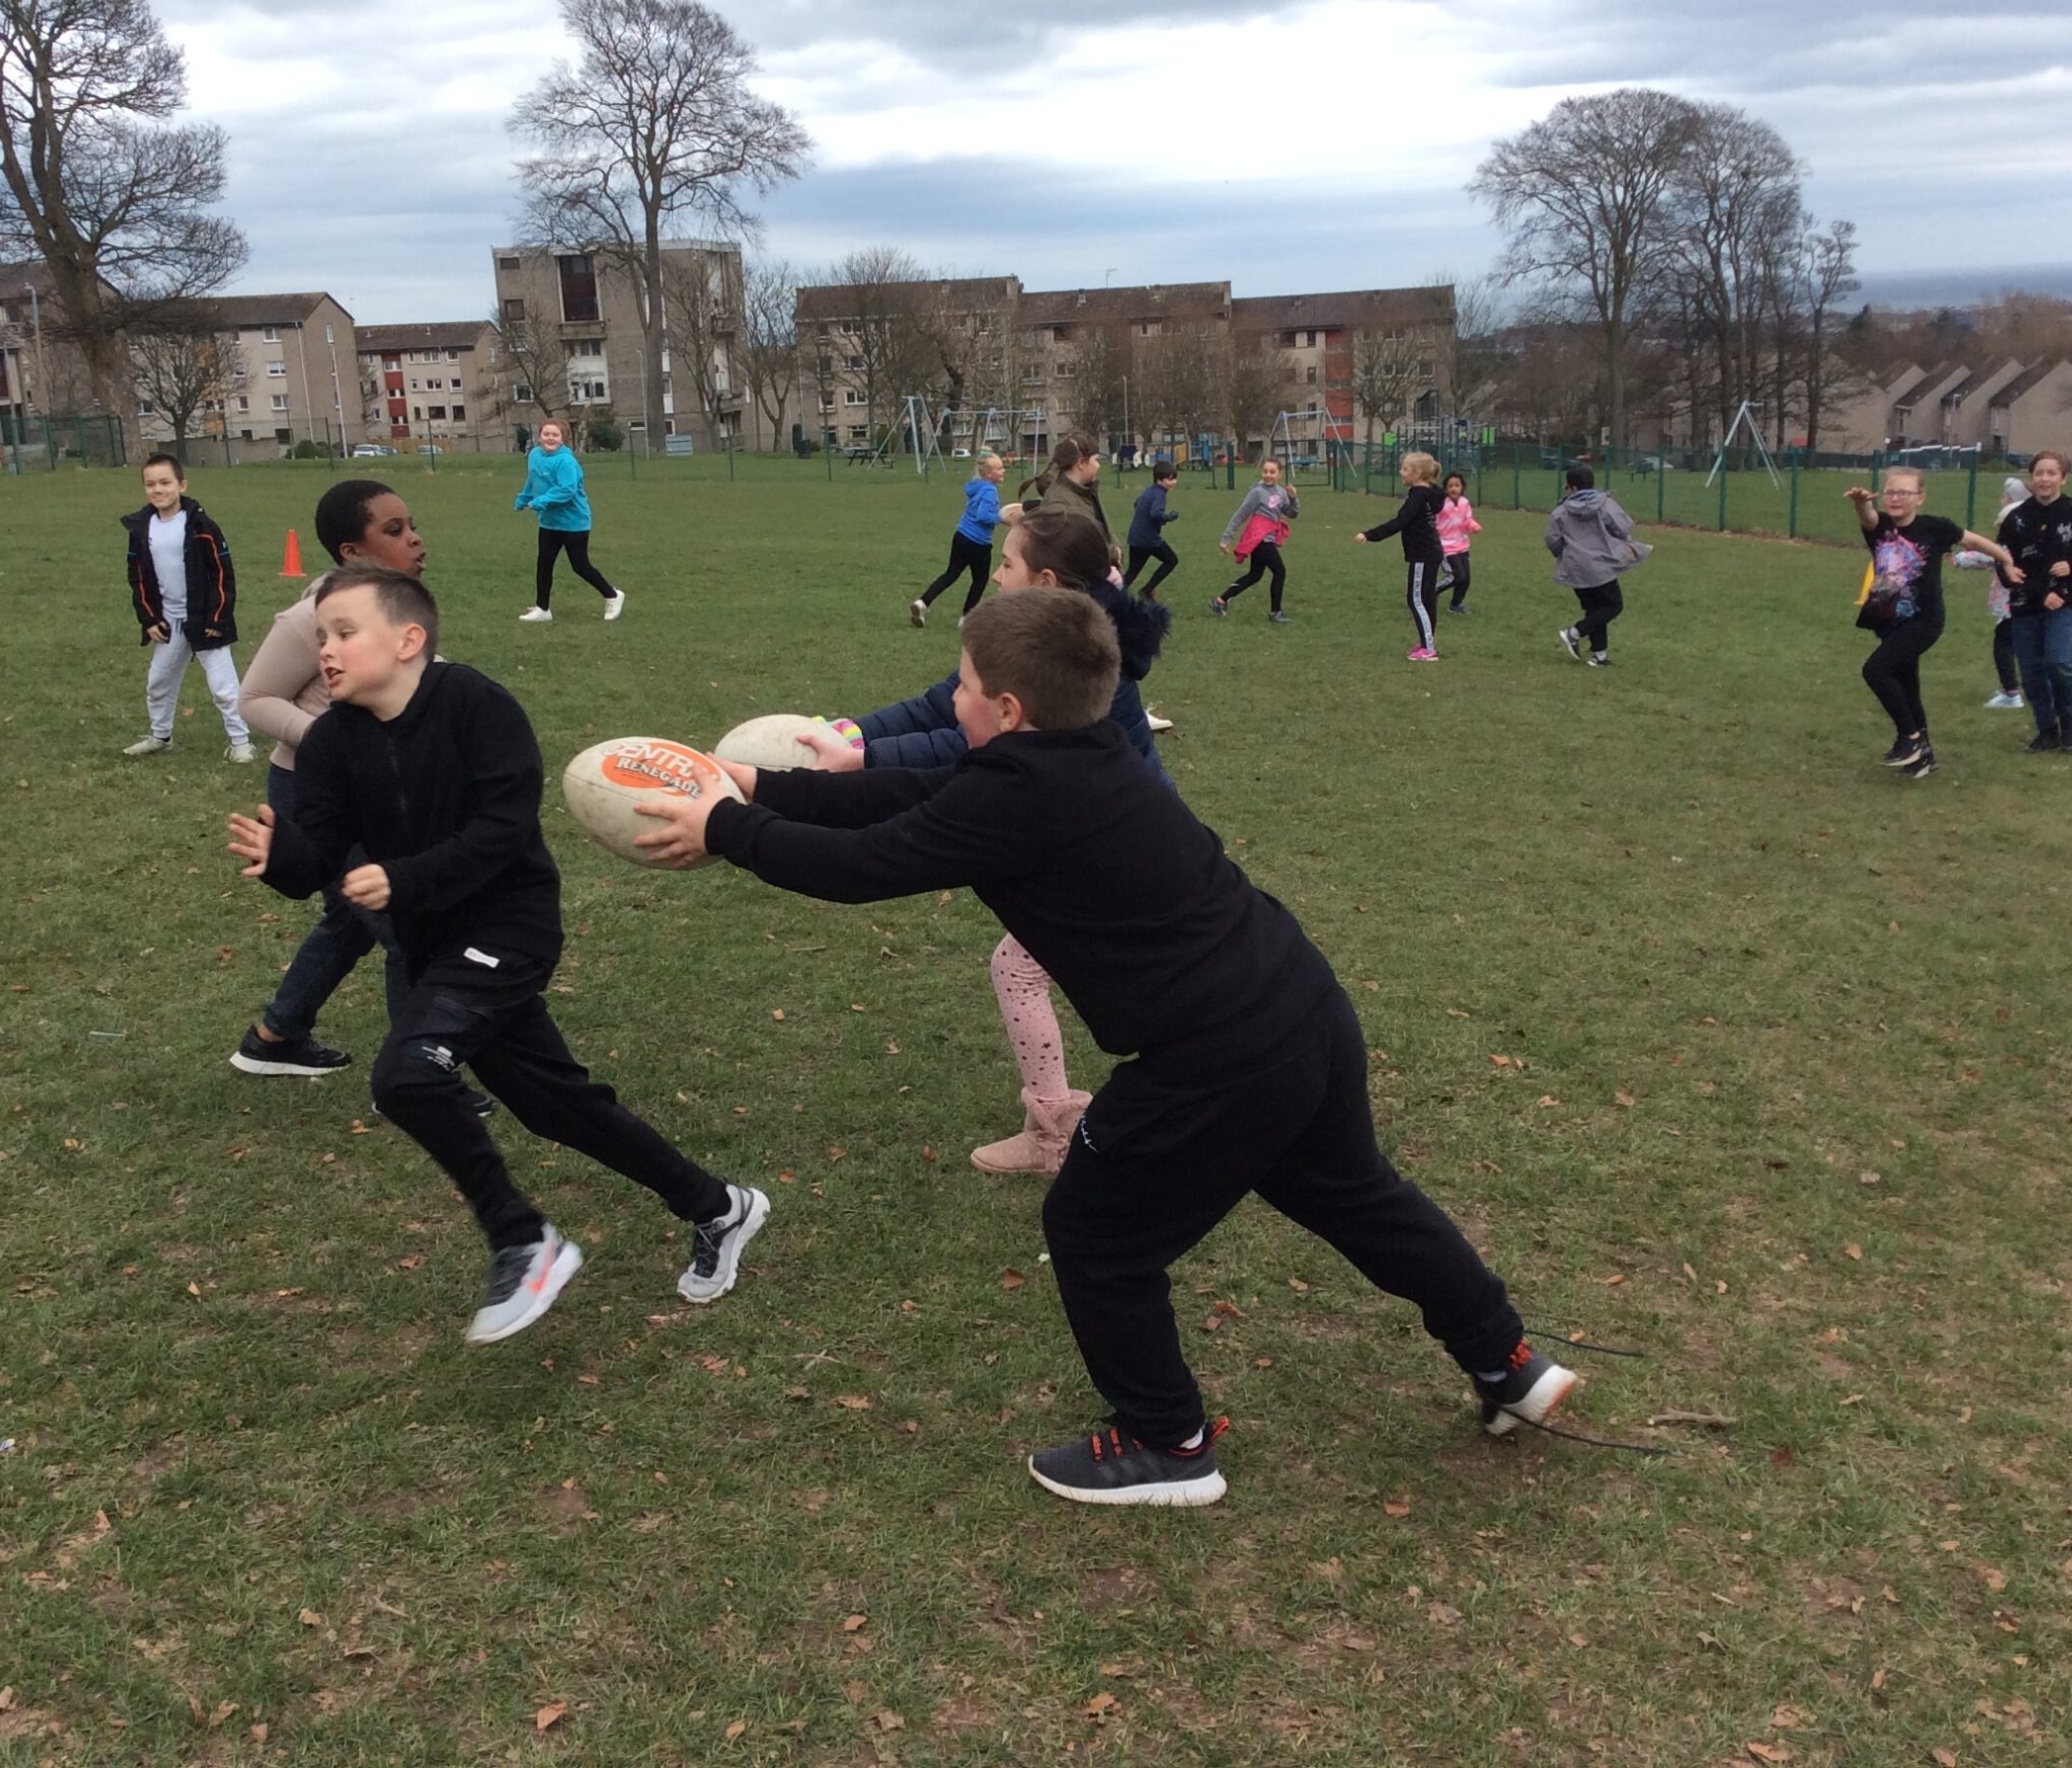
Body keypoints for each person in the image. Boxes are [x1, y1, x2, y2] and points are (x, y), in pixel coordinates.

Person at [632, 589, 1579, 1506]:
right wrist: (757, 788)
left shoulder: (1018, 794)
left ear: (1004, 709)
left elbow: (864, 866)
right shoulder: (1076, 755)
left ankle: (1167, 1441)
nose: (949, 699)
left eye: (960, 686)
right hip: (1299, 1004)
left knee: (1095, 1233)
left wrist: (726, 828)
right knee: (1357, 1194)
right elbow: (905, 795)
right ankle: (1508, 1360)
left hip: (1215, 1057)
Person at [226, 566, 767, 1341]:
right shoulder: (331, 743)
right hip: (431, 943)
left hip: (509, 927)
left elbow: (504, 828)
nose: (327, 653)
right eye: (320, 639)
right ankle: (720, 1205)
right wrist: (283, 859)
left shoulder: (476, 708)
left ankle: (522, 1239)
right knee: (553, 1104)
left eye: (345, 633)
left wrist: (404, 878)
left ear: (409, 640)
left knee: (406, 1077)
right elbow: (317, 864)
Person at [807, 509, 1170, 1176]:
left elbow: (966, 741)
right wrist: (853, 732)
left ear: (1047, 579)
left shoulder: (1074, 660)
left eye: (1007, 564)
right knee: (1044, 967)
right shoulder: (1035, 637)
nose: (996, 575)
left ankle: (1060, 1130)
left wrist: (859, 761)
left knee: (1029, 969)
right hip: (1089, 844)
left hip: (1116, 857)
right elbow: (942, 703)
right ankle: (1072, 1116)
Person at [230, 480, 427, 1079]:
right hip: (311, 795)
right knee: (399, 925)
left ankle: (274, 1036)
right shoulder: (311, 618)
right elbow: (255, 698)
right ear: (350, 551)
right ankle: (413, 1079)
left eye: (411, 525)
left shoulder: (399, 608)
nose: (415, 539)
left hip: (371, 793)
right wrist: (327, 743)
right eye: (393, 531)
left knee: (351, 920)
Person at [1844, 469, 2019, 779]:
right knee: (1907, 685)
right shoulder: (1880, 526)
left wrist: (2005, 560)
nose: (1896, 498)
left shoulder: (1935, 528)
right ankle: (1922, 756)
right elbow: (1868, 516)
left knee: (1876, 670)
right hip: (1889, 620)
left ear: (1920, 498)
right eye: (1890, 492)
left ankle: (1909, 738)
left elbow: (1976, 542)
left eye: (1904, 493)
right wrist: (1860, 502)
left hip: (1923, 621)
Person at [120, 453, 255, 762]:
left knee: (223, 687)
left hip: (204, 619)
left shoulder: (201, 525)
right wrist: (149, 618)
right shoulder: (141, 528)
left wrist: (217, 618)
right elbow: (137, 577)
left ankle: (240, 742)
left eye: (165, 482)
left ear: (181, 485)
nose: (158, 490)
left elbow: (222, 574)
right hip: (168, 621)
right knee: (158, 682)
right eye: (150, 484)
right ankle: (160, 736)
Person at [2002, 450, 2072, 754]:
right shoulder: (2017, 518)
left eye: (2051, 473)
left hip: (2063, 603)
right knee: (2031, 670)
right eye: (2039, 473)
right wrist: (2038, 592)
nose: (2044, 479)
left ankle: (2069, 724)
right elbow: (2005, 562)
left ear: (2063, 478)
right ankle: (2046, 729)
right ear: (2032, 478)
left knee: (2058, 662)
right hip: (2025, 604)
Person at [514, 419, 623, 624]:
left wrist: (541, 501)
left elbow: (567, 489)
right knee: (544, 564)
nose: (550, 438)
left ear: (563, 439)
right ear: (539, 436)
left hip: (574, 522)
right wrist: (524, 497)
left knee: (580, 565)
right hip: (549, 522)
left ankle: (613, 595)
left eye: (555, 435)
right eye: (546, 434)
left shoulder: (566, 462)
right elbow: (533, 479)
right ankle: (542, 608)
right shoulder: (535, 455)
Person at [1546, 464, 1652, 668]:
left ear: (1573, 488)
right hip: (1602, 564)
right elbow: (1623, 526)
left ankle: (1599, 655)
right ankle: (1574, 633)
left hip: (1576, 567)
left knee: (1594, 610)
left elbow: (1552, 539)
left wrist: (1563, 553)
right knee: (1613, 605)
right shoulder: (1605, 504)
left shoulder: (1560, 512)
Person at [1354, 451, 1448, 659]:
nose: (1401, 472)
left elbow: (1400, 521)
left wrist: (1370, 535)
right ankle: (1426, 642)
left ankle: (1428, 649)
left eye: (1405, 469)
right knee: (1427, 599)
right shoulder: (1429, 493)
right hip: (1432, 552)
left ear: (1417, 473)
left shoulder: (1418, 495)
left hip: (1422, 555)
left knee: (1415, 600)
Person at [1951, 477, 2030, 710]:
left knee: (2003, 646)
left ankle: (2011, 693)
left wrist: (1959, 558)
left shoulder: (2014, 530)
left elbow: (1994, 555)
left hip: (2013, 601)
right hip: (2027, 600)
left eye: (2006, 497)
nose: (2001, 500)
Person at [912, 453, 1005, 627]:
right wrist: (1002, 518)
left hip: (961, 536)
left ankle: (922, 603)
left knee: (951, 574)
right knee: (980, 580)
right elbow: (983, 515)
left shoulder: (977, 486)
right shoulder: (990, 490)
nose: (1003, 471)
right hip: (978, 543)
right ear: (988, 474)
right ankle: (967, 617)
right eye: (999, 468)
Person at [1212, 459, 1297, 622]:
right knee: (1280, 571)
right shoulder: (1257, 492)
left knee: (1255, 575)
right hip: (1259, 538)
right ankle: (1275, 613)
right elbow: (1240, 514)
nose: (1268, 475)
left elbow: (1292, 513)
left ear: (1280, 474)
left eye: (1272, 472)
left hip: (1269, 536)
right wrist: (1226, 538)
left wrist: (1293, 498)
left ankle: (1220, 601)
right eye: (1265, 471)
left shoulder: (1281, 492)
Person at [1010, 433, 1112, 559]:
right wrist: (1113, 553)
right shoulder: (1059, 504)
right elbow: (1076, 548)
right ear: (1080, 463)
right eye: (1096, 460)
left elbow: (1104, 532)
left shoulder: (1086, 491)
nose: (1099, 465)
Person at [1124, 460, 1182, 601]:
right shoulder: (1160, 494)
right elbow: (1156, 513)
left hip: (1136, 537)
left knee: (1132, 571)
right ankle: (1147, 590)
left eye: (1174, 478)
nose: (1174, 482)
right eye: (1170, 479)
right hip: (1149, 540)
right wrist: (1167, 517)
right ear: (1159, 480)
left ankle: (1110, 596)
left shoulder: (1149, 490)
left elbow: (1137, 503)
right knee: (1171, 560)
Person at [1434, 470, 1482, 617]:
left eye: (1457, 485)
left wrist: (1474, 526)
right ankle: (1431, 591)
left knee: (1466, 579)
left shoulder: (1464, 503)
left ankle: (1455, 604)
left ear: (1462, 487)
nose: (1454, 488)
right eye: (1450, 486)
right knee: (1457, 576)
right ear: (1446, 489)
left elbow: (1467, 520)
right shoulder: (1441, 504)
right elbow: (1434, 521)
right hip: (1446, 547)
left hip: (1462, 545)